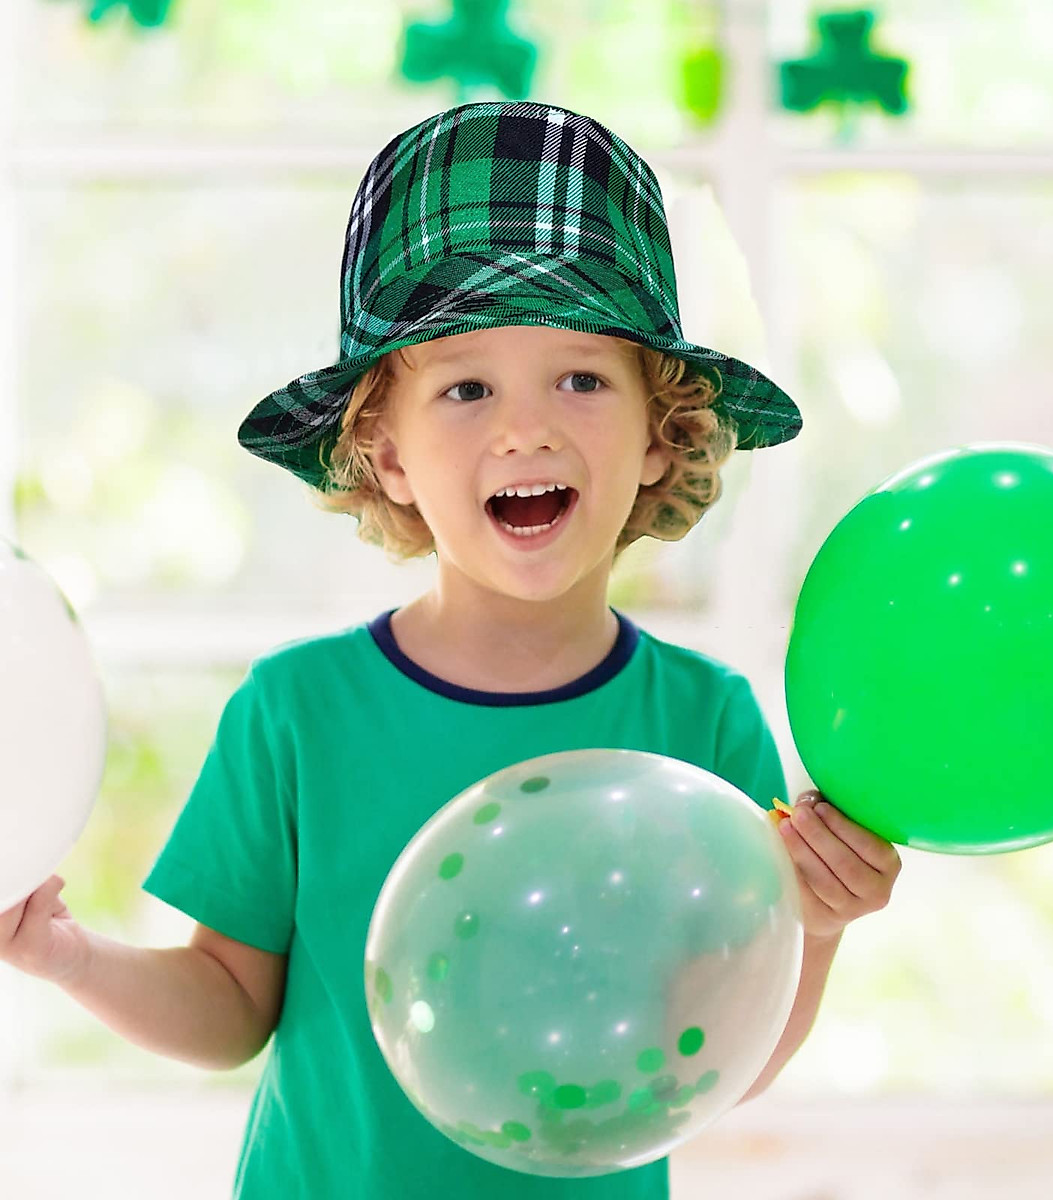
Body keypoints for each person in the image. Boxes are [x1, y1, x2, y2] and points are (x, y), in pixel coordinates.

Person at [0, 101, 901, 1198]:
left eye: (581, 378)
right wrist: (68, 958)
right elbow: (230, 1005)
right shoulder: (297, 711)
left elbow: (717, 1053)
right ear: (382, 455)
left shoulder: (706, 722)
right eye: (465, 389)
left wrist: (817, 925)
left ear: (663, 439)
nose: (525, 430)